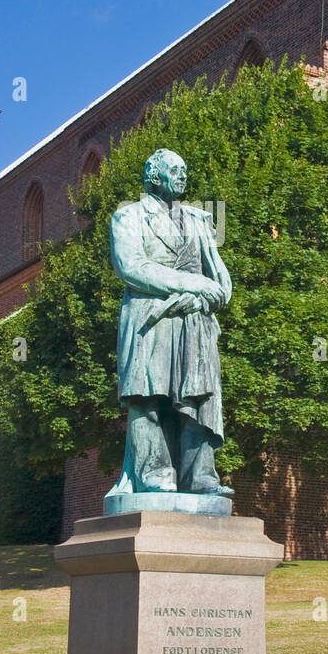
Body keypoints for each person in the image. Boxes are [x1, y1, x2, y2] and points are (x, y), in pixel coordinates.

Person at [107, 148, 233, 497]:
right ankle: (155, 475)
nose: (182, 175)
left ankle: (201, 477)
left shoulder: (199, 220)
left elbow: (221, 282)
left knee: (201, 399)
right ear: (153, 176)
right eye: (174, 169)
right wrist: (193, 283)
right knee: (148, 398)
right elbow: (132, 267)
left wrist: (207, 294)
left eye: (184, 169)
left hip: (194, 321)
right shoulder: (128, 216)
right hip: (150, 319)